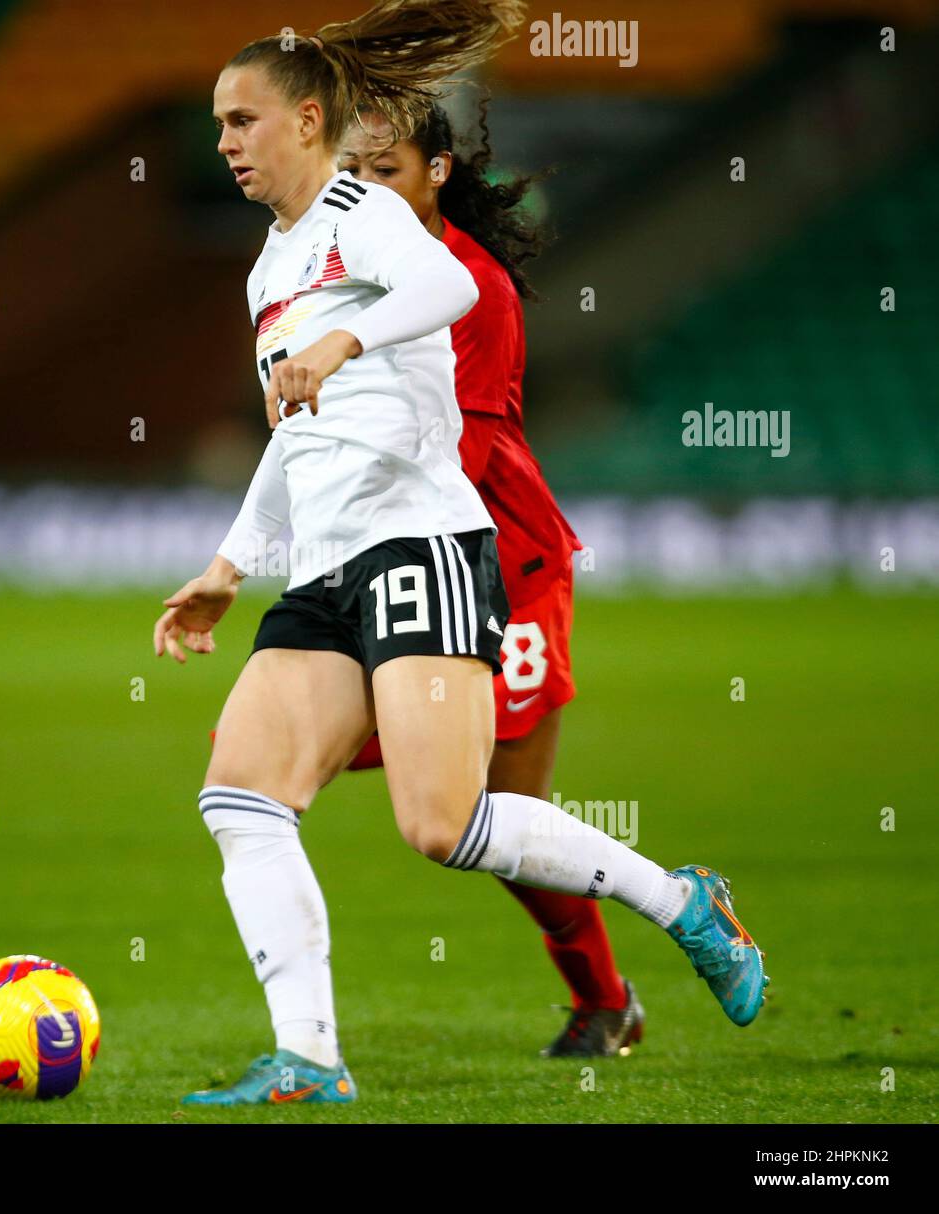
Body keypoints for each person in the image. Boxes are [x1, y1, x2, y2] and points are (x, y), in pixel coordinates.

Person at [155, 0, 767, 1107]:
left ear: (306, 119)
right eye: (216, 127)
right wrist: (230, 564)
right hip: (326, 571)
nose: (226, 143)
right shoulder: (270, 266)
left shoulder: (363, 214)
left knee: (445, 825)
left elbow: (449, 285)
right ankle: (309, 1057)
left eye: (242, 121)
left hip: (422, 545)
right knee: (239, 793)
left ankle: (680, 902)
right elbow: (295, 432)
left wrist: (344, 336)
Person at [337, 101, 642, 1057]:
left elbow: (454, 449)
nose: (365, 194)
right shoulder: (340, 273)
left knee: (498, 824)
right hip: (401, 555)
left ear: (436, 173)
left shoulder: (470, 286)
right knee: (259, 768)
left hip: (499, 562)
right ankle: (302, 1044)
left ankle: (609, 994)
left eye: (386, 173)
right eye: (355, 176)